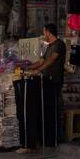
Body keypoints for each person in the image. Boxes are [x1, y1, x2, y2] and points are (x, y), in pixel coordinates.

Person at [21, 23, 67, 151]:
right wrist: (28, 67)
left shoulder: (59, 45)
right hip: (46, 80)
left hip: (54, 80)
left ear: (48, 32)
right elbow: (42, 60)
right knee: (46, 109)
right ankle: (46, 138)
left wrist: (38, 70)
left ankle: (56, 137)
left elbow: (51, 60)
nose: (43, 35)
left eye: (44, 32)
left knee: (53, 109)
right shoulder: (49, 46)